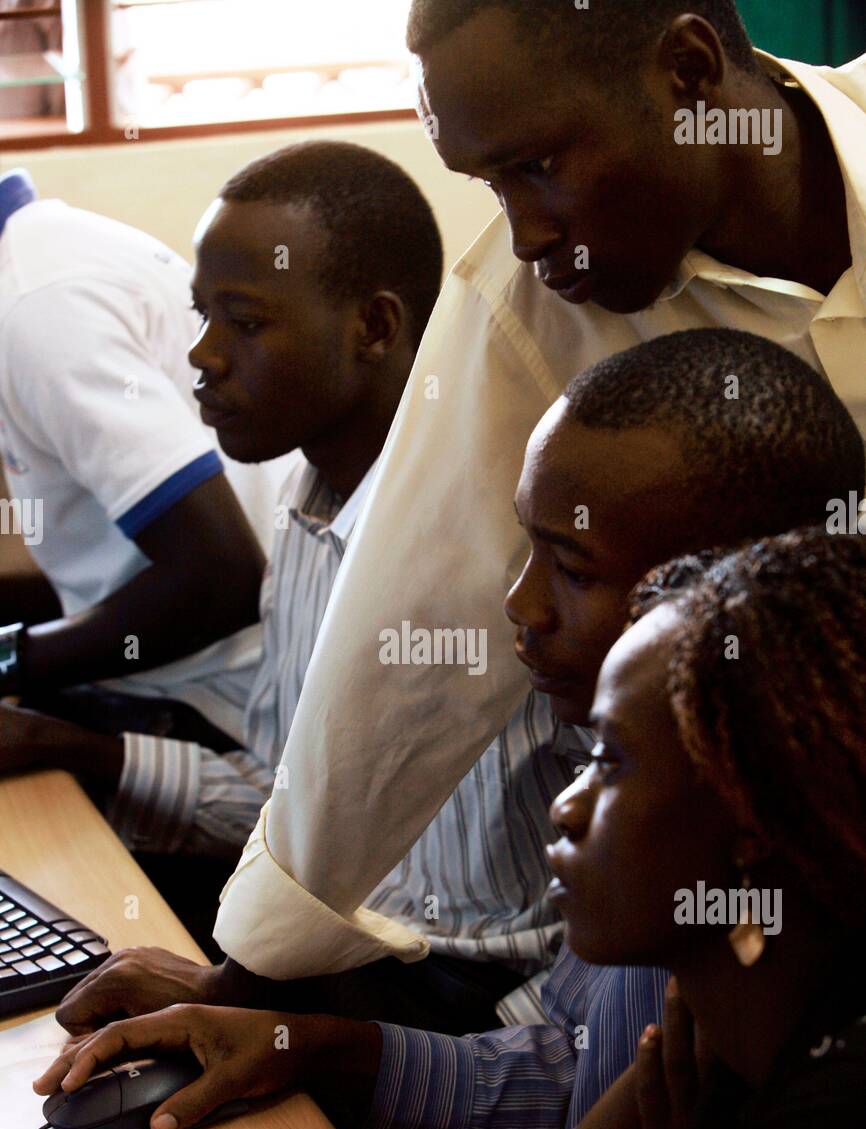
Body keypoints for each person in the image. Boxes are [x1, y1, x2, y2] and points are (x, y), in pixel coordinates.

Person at [52, 0, 866, 1003]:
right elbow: (402, 637)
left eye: (536, 167)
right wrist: (246, 987)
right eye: (488, 183)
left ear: (689, 75)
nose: (522, 235)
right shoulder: (536, 308)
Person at [36, 330, 865, 1129]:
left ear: (740, 599)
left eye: (574, 569)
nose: (520, 604)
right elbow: (579, 1063)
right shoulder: (660, 831)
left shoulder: (763, 957)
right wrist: (314, 1047)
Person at [0, 141, 589, 1034]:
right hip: (355, 973)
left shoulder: (504, 546)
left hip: (478, 1011)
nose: (202, 356)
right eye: (200, 318)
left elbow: (595, 943)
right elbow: (283, 796)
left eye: (242, 322)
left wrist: (341, 1041)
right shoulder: (303, 516)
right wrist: (72, 747)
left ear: (377, 328)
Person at [447, 527, 866, 1129]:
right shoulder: (713, 1011)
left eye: (609, 760)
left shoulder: (841, 1096)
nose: (567, 807)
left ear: (750, 825)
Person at [0, 167, 276, 748]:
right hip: (181, 673)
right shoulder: (42, 249)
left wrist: (7, 658)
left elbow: (219, 578)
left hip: (217, 704)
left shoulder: (36, 306)